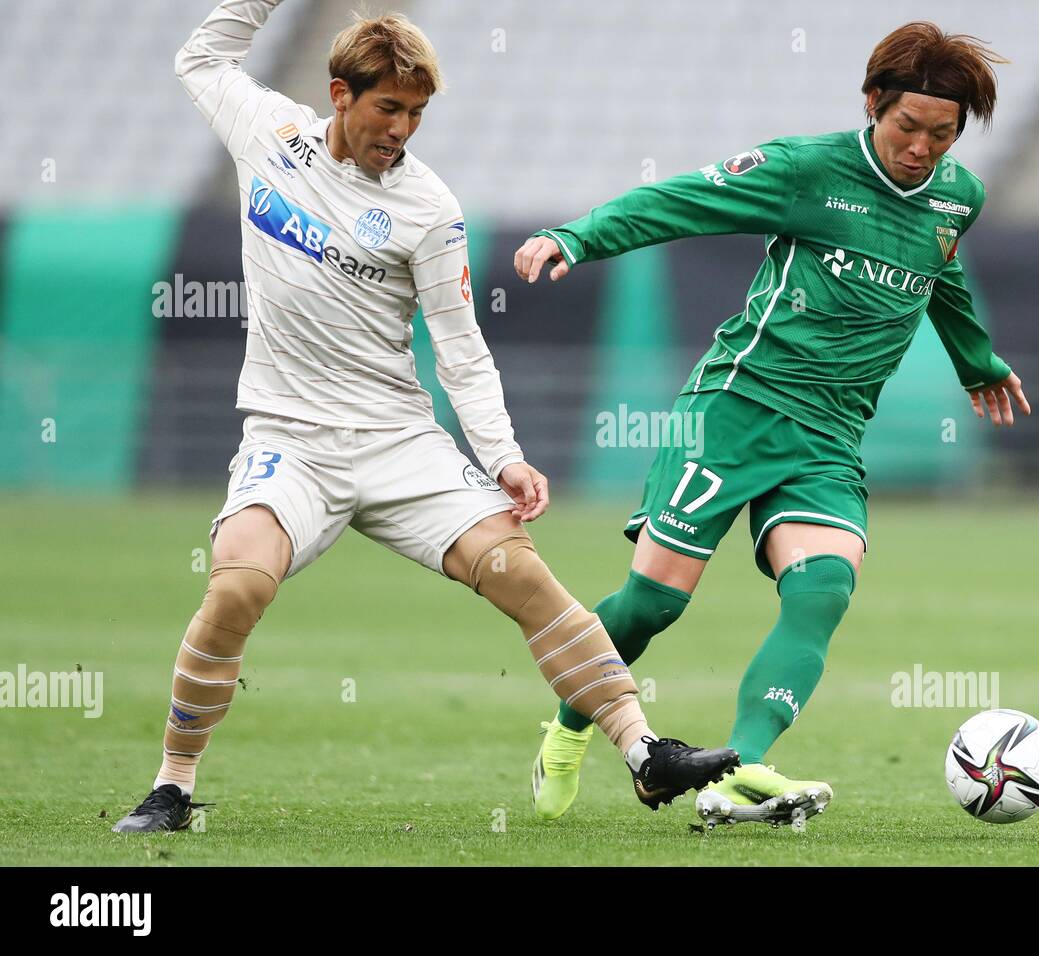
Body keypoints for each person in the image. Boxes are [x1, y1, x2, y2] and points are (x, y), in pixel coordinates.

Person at [112, 0, 737, 834]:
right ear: (340, 95)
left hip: (400, 441)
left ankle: (643, 751)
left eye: (416, 113)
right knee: (236, 588)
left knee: (523, 575)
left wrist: (504, 455)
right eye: (388, 108)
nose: (402, 128)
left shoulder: (427, 208)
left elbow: (460, 346)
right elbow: (201, 57)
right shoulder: (267, 132)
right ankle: (173, 788)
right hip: (289, 441)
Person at [514, 22, 1029, 828]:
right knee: (652, 607)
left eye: (943, 133)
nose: (923, 147)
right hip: (737, 409)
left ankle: (744, 769)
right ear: (871, 104)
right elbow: (679, 201)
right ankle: (569, 729)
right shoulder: (805, 169)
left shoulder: (958, 194)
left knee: (823, 586)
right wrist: (577, 236)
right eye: (908, 127)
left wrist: (977, 360)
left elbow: (943, 270)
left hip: (829, 434)